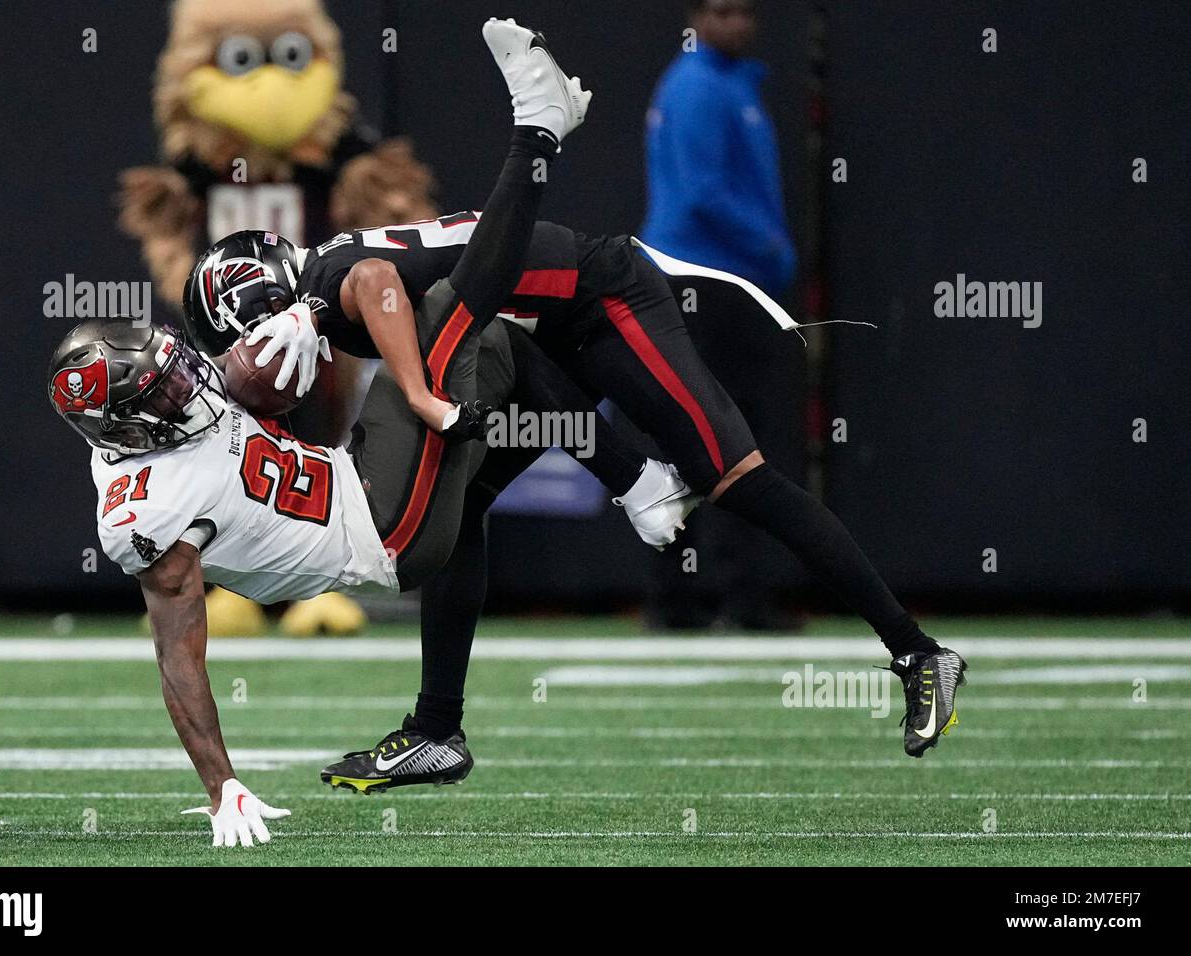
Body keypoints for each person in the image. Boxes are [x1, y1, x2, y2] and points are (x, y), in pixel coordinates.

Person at [49, 18, 675, 846]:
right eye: (162, 393)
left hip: (360, 476)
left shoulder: (180, 403)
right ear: (126, 424)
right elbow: (179, 660)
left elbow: (242, 382)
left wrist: (287, 337)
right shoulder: (143, 512)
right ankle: (537, 134)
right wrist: (222, 787)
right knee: (451, 308)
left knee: (497, 346)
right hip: (381, 529)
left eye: (172, 369)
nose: (183, 388)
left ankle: (631, 480)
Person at [266, 56, 966, 797]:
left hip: (603, 298)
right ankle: (437, 730)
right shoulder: (326, 274)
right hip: (547, 332)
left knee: (737, 480)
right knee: (461, 499)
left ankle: (918, 653)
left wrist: (414, 389)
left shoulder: (331, 287)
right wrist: (623, 470)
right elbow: (512, 348)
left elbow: (394, 292)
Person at [641, 0, 798, 631]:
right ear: (698, 17)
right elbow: (703, 193)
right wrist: (770, 245)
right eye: (724, 11)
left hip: (721, 284)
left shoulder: (728, 85)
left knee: (713, 437)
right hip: (702, 286)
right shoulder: (698, 88)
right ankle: (705, 597)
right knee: (713, 438)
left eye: (747, 12)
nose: (740, 24)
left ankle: (711, 597)